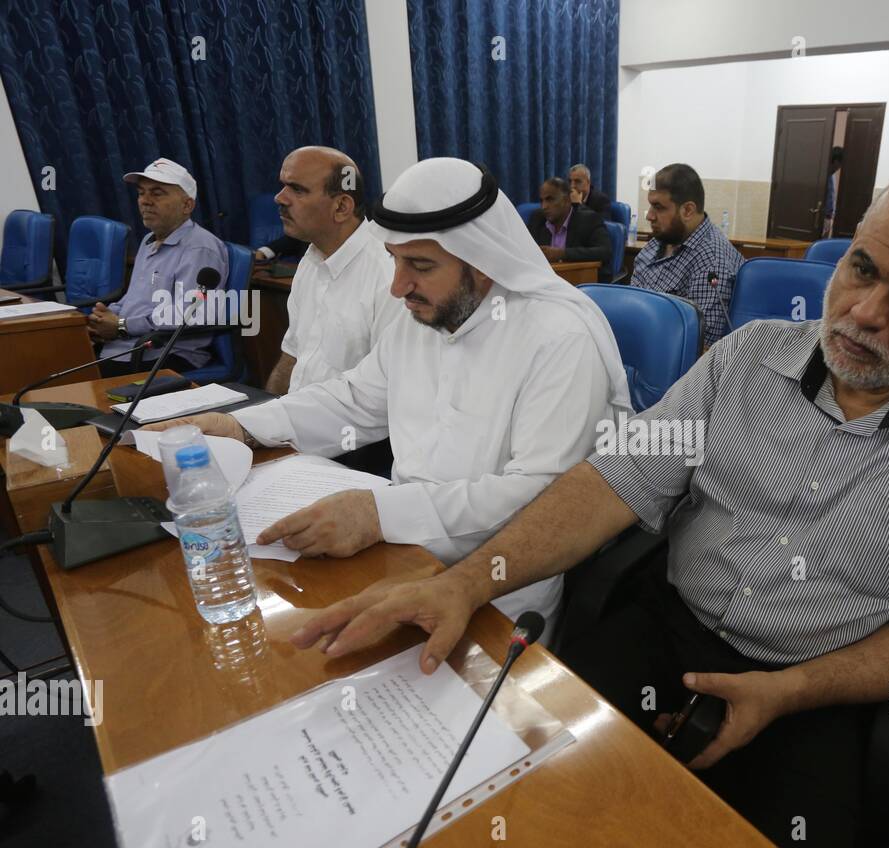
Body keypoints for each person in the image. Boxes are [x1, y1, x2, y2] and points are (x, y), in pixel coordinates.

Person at [287, 169, 889, 848]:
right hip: (668, 628)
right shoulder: (742, 359)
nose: (867, 313)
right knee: (518, 795)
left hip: (817, 688)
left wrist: (791, 692)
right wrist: (464, 583)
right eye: (863, 270)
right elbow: (613, 481)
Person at [146, 157, 631, 629]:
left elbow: (541, 496)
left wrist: (379, 514)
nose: (398, 287)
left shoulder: (559, 339)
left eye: (419, 265)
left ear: (484, 262)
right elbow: (354, 399)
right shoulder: (422, 314)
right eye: (394, 261)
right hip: (396, 553)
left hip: (495, 589)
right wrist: (243, 425)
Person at [262, 146, 403, 396]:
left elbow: (385, 392)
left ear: (341, 207)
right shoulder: (310, 260)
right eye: (283, 185)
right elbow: (292, 356)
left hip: (350, 431)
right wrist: (266, 418)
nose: (280, 198)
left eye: (297, 189)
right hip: (296, 421)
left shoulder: (389, 276)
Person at [87, 158, 228, 377]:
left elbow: (190, 313)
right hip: (127, 347)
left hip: (166, 353)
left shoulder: (200, 249)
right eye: (141, 193)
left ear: (187, 205)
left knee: (74, 384)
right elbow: (133, 297)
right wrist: (106, 316)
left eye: (157, 193)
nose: (145, 201)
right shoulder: (148, 241)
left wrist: (122, 326)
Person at [631, 163, 743, 347]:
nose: (649, 216)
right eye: (650, 205)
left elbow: (701, 345)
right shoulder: (656, 243)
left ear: (688, 210)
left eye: (658, 207)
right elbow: (631, 309)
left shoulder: (712, 261)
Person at [526, 177, 613, 281]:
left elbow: (605, 251)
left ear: (567, 200)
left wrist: (562, 253)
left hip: (578, 283)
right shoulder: (537, 218)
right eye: (542, 200)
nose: (544, 206)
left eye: (550, 199)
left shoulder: (589, 220)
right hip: (543, 282)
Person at [823, 146, 843, 238]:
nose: (840, 167)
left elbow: (832, 196)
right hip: (821, 216)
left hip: (828, 217)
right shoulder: (823, 176)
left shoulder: (832, 176)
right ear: (836, 161)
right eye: (840, 163)